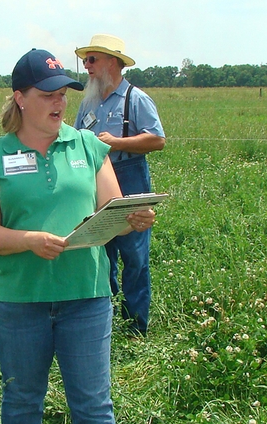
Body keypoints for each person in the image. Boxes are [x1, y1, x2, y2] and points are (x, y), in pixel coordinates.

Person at [0, 48, 155, 424]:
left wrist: (131, 217)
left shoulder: (89, 147)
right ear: (20, 99)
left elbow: (110, 208)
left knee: (92, 400)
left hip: (86, 296)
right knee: (22, 398)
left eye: (64, 94)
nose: (58, 102)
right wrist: (26, 240)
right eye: (47, 94)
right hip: (19, 300)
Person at [74, 34, 166, 335]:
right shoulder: (87, 101)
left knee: (135, 256)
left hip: (130, 175)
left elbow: (157, 139)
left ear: (112, 62)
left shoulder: (135, 98)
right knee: (103, 251)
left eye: (92, 59)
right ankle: (106, 321)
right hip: (96, 179)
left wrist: (116, 143)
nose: (86, 66)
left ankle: (136, 325)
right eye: (85, 60)